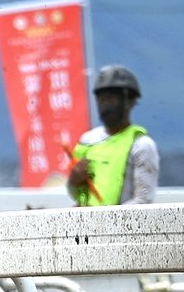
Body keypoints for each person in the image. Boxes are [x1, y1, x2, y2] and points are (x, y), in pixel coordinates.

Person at [66, 65, 158, 207]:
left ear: (129, 101)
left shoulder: (142, 145)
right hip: (85, 225)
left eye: (111, 99)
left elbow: (143, 201)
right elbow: (77, 194)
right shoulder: (88, 141)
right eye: (101, 99)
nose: (105, 105)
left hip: (120, 228)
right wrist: (73, 181)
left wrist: (105, 220)